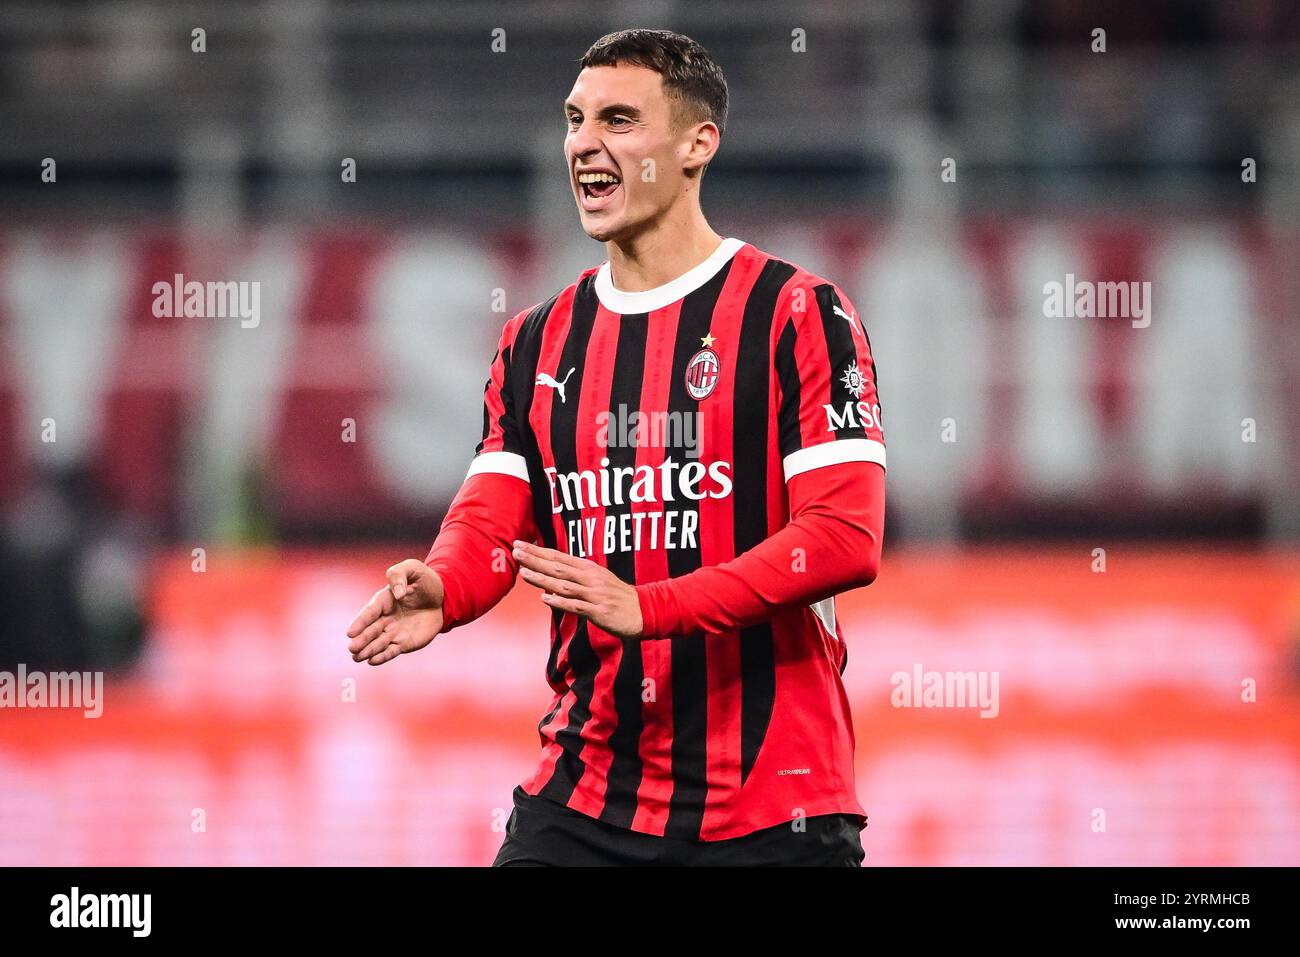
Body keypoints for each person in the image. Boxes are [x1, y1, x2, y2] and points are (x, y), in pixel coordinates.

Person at [346, 29, 886, 866]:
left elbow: (844, 539)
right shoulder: (535, 341)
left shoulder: (798, 313)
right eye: (574, 119)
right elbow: (495, 517)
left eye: (620, 120)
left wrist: (652, 605)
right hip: (586, 792)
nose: (585, 144)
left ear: (697, 144)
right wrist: (445, 585)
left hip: (773, 803)